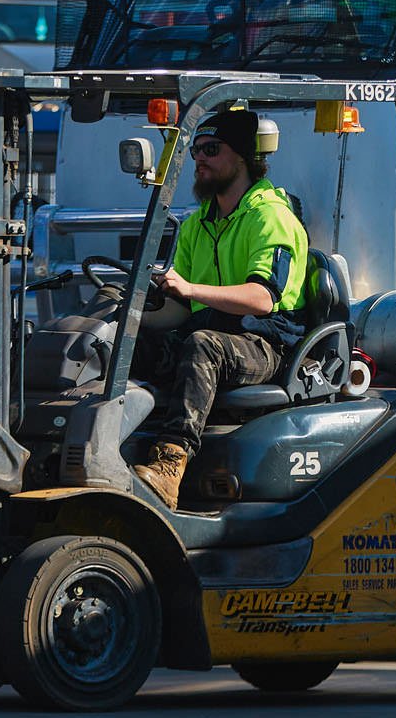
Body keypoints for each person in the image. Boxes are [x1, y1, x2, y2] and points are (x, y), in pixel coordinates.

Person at [131, 107, 309, 508]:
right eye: (195, 151)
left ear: (243, 158)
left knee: (202, 345)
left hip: (264, 342)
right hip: (213, 329)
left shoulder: (270, 217)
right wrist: (133, 314)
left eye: (211, 149)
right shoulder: (199, 223)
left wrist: (191, 288)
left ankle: (170, 465)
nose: (199, 159)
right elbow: (182, 305)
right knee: (123, 346)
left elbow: (263, 300)